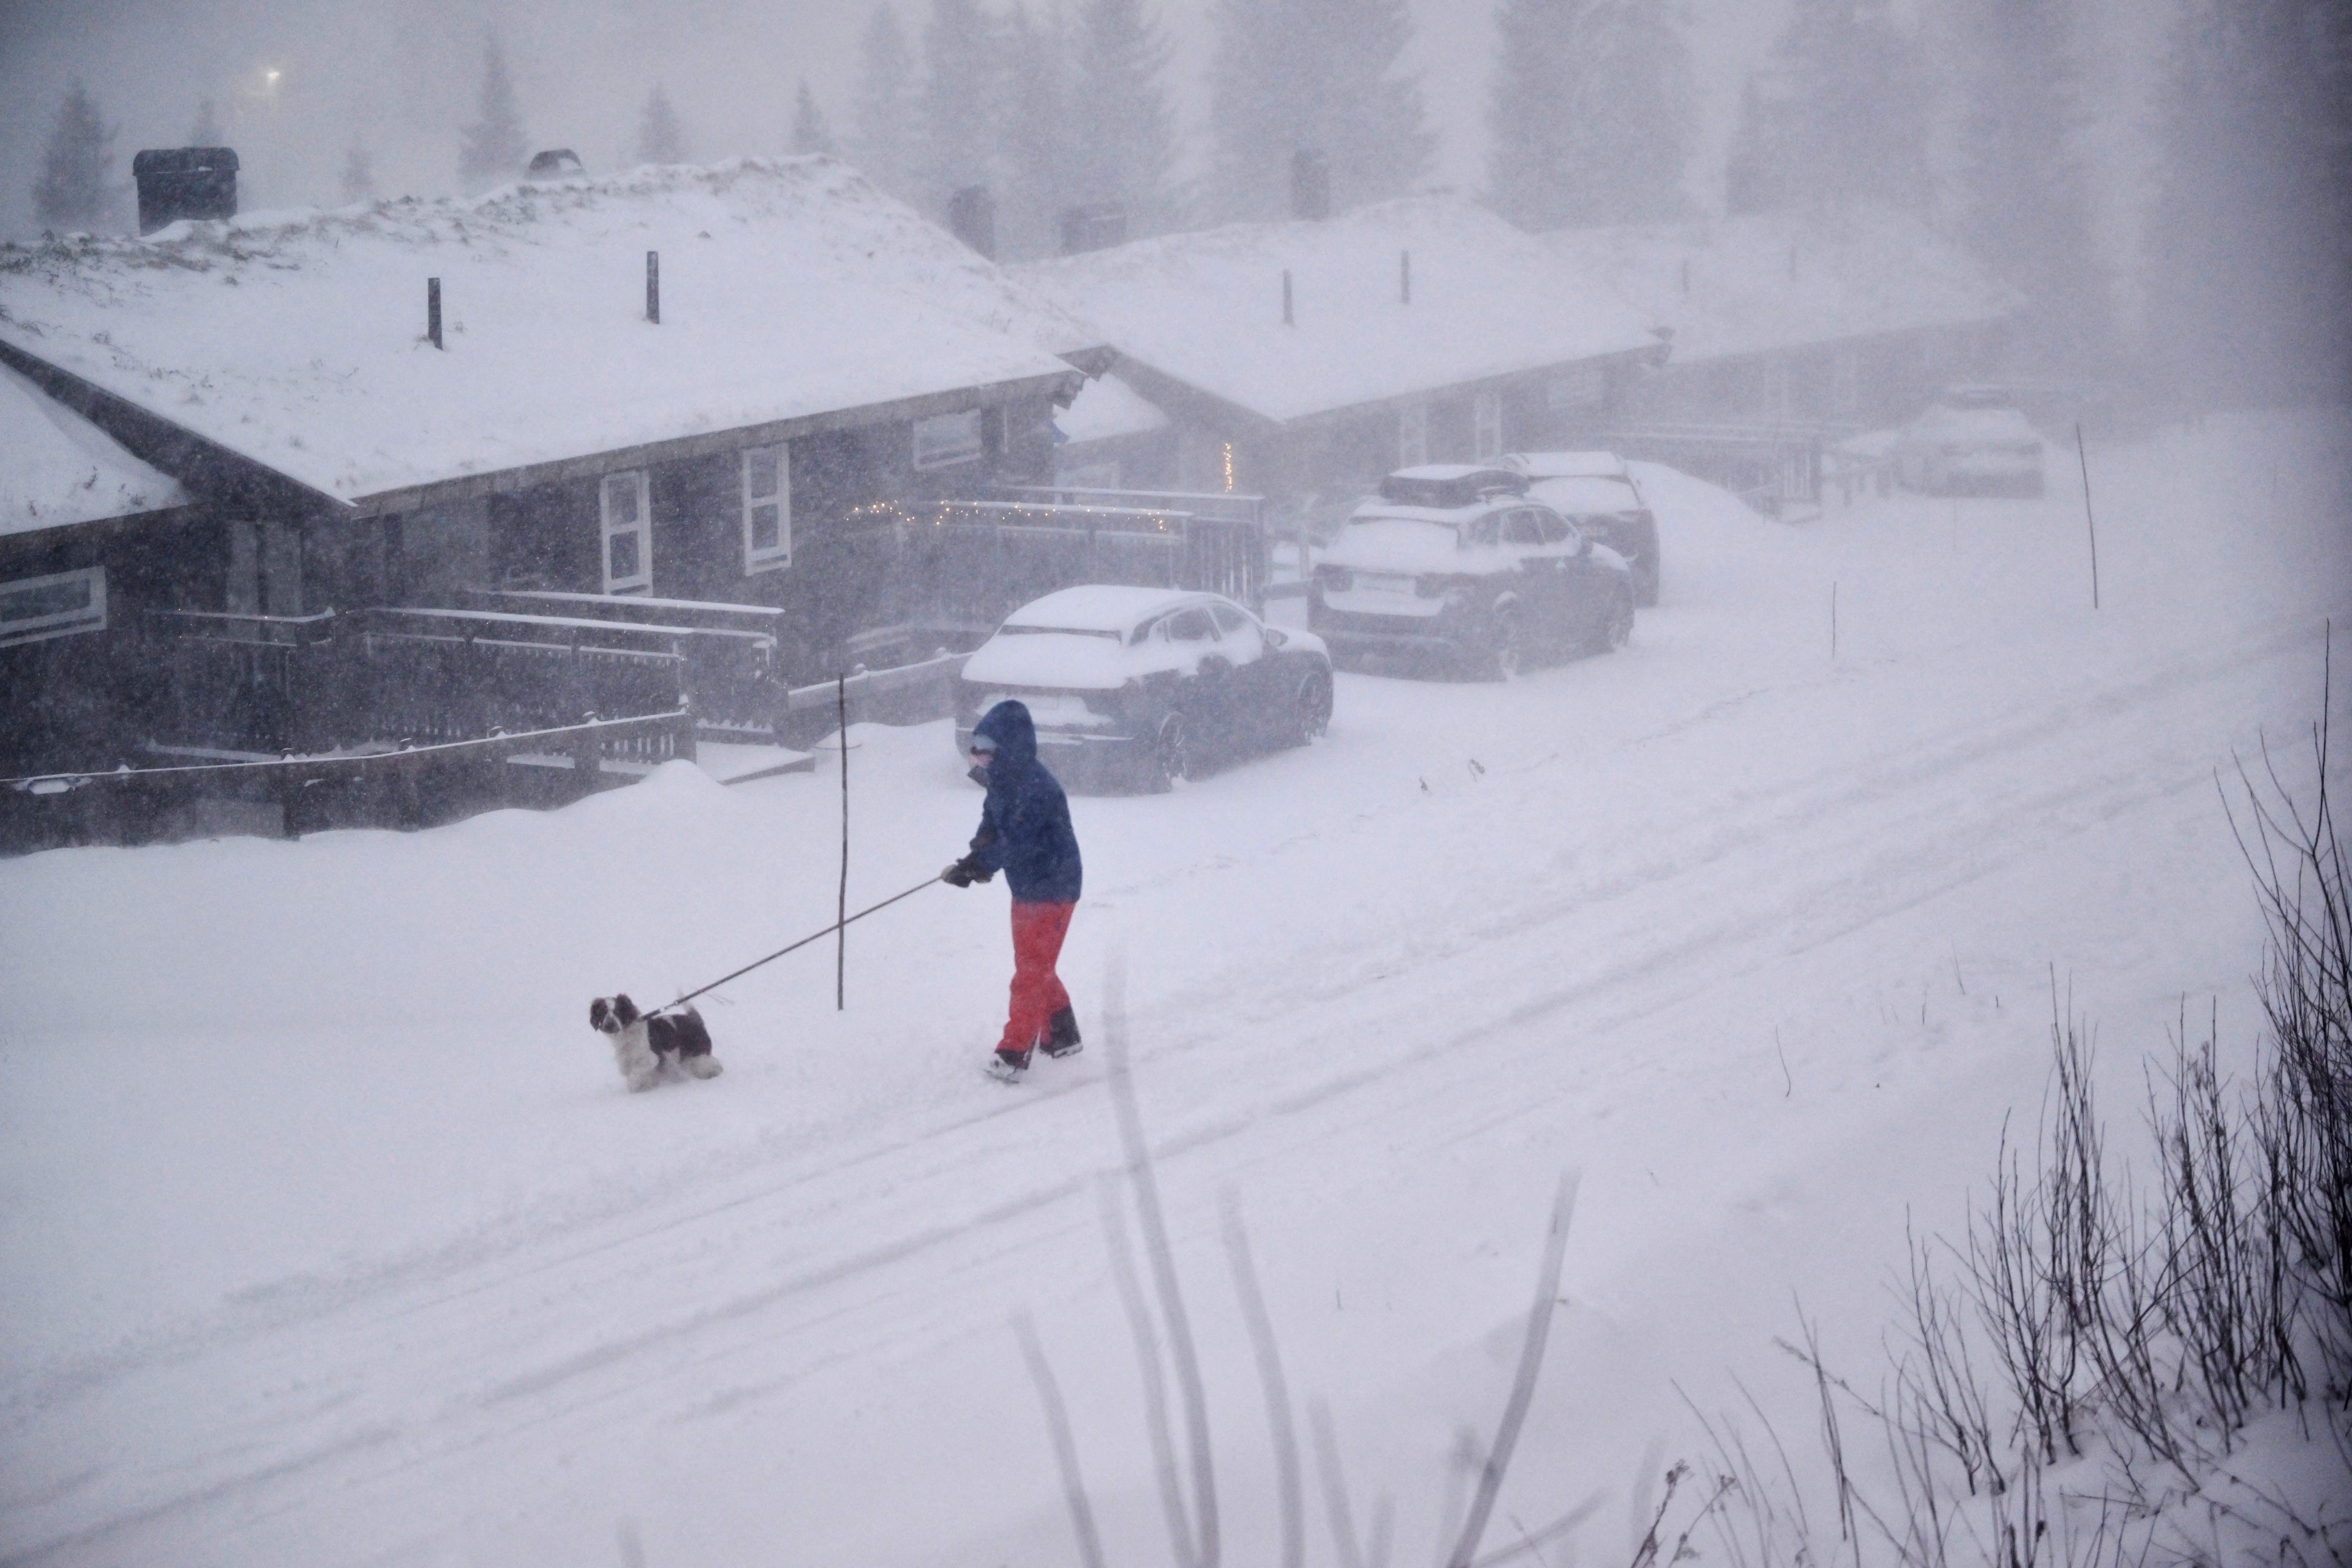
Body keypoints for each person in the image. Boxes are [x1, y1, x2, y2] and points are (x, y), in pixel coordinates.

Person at [942, 699, 1083, 1081]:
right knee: (1035, 963)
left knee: (1030, 972)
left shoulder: (1035, 788)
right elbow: (993, 825)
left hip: (1053, 887)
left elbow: (1017, 842)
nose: (980, 756)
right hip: (1027, 886)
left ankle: (1013, 1053)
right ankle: (1063, 1035)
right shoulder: (1003, 780)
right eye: (977, 748)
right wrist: (975, 856)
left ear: (1009, 748)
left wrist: (981, 866)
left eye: (988, 748)